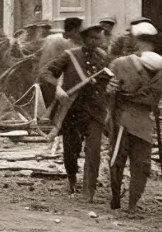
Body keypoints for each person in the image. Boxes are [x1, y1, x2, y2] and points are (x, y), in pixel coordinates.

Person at [39, 23, 113, 200]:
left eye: (99, 38)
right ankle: (71, 180)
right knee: (71, 152)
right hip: (72, 111)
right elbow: (46, 73)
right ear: (84, 39)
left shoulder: (104, 58)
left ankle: (89, 192)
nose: (97, 42)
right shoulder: (70, 56)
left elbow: (111, 80)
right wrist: (57, 89)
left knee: (93, 150)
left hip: (95, 111)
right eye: (93, 38)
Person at [107, 46, 162, 212]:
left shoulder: (157, 79)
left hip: (143, 126)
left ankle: (132, 204)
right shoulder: (121, 67)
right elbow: (108, 94)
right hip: (123, 123)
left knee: (140, 165)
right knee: (117, 162)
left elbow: (153, 100)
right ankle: (116, 198)